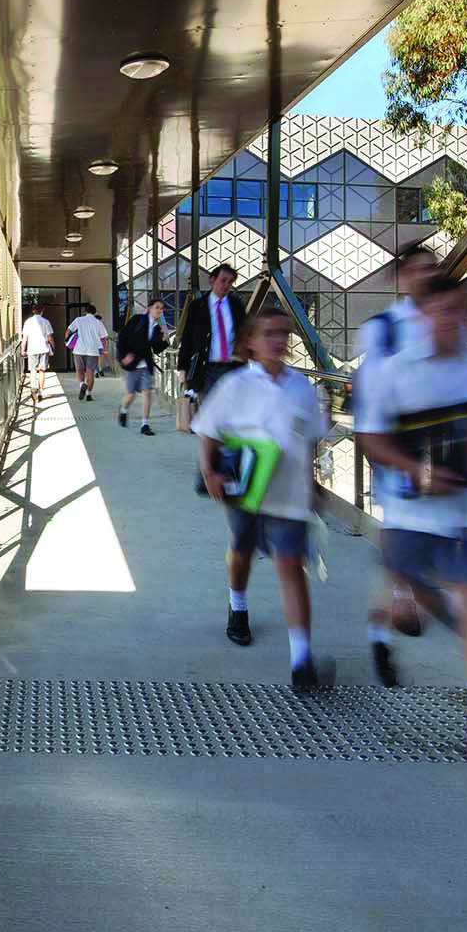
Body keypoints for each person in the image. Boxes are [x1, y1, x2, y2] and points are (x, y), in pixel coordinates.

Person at [354, 274, 467, 775]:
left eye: (460, 310)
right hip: (409, 510)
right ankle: (390, 620)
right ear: (420, 314)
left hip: (465, 511)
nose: (453, 319)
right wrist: (421, 473)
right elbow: (371, 439)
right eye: (441, 310)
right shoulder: (392, 372)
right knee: (410, 585)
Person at [194, 307, 332, 689]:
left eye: (283, 333)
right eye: (268, 333)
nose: (277, 340)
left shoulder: (301, 387)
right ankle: (238, 605)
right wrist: (210, 473)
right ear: (250, 343)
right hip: (248, 491)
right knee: (241, 551)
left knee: (290, 567)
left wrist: (313, 483)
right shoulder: (234, 385)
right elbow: (209, 430)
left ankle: (301, 659)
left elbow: (312, 440)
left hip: (290, 494)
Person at [360, 242, 441, 638]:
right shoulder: (384, 328)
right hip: (396, 441)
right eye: (419, 269)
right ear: (403, 276)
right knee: (400, 521)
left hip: (439, 442)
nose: (426, 275)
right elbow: (372, 389)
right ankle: (401, 595)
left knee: (422, 525)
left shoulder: (443, 320)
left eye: (433, 268)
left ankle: (391, 607)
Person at [177, 262, 246, 400]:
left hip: (232, 368)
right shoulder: (198, 306)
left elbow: (246, 333)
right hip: (206, 369)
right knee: (209, 410)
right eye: (223, 280)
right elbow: (187, 338)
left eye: (230, 282)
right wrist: (182, 367)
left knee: (231, 411)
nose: (226, 285)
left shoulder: (236, 306)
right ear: (212, 280)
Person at [115, 298, 169, 435]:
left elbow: (156, 349)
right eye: (157, 307)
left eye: (162, 309)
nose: (160, 311)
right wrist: (123, 356)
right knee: (130, 395)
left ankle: (145, 424)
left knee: (147, 393)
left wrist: (164, 339)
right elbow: (122, 338)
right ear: (149, 308)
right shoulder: (137, 320)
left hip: (146, 365)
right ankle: (123, 410)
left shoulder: (157, 328)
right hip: (133, 365)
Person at [67, 304, 109, 401]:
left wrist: (68, 342)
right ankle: (89, 395)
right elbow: (104, 338)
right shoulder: (98, 322)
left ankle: (82, 384)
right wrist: (104, 350)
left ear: (85, 311)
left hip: (79, 349)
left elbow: (68, 331)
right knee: (90, 372)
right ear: (94, 312)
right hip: (93, 350)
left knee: (79, 370)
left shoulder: (78, 320)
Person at [20, 305, 55, 401]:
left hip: (32, 349)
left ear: (33, 311)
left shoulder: (27, 322)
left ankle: (33, 389)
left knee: (33, 370)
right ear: (42, 311)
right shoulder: (46, 322)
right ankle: (41, 391)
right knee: (42, 370)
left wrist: (23, 350)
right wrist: (53, 347)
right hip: (43, 349)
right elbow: (50, 337)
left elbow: (25, 338)